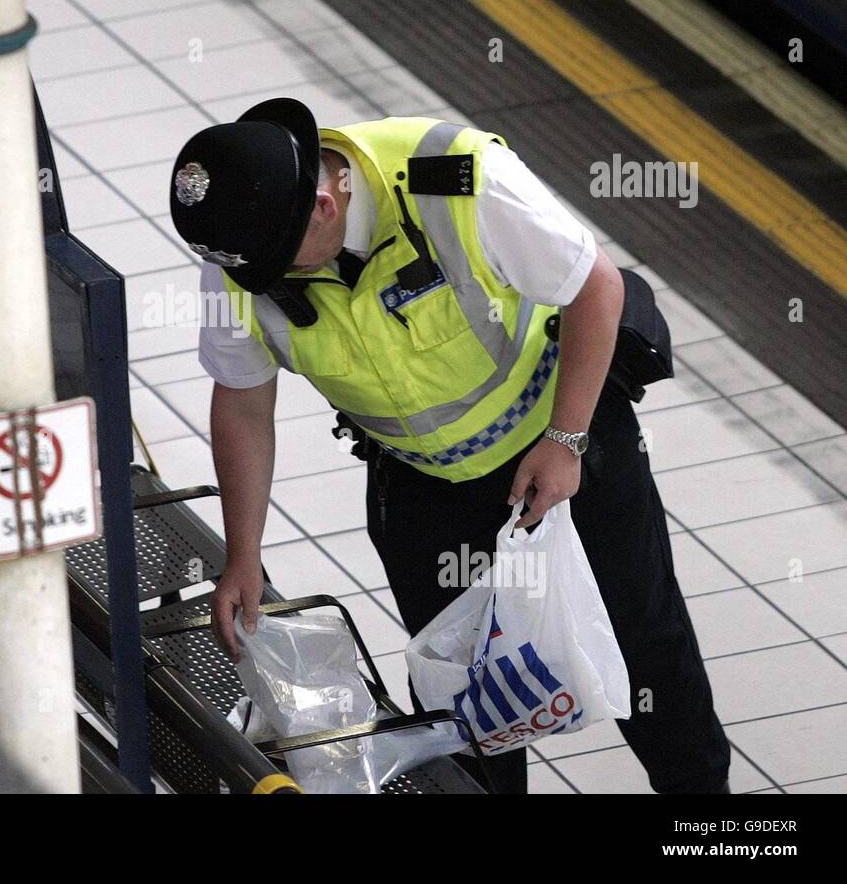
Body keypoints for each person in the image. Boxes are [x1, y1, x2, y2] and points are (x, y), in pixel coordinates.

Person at [167, 97, 730, 794]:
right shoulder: (245, 249)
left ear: (322, 204)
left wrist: (566, 439)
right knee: (461, 694)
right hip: (421, 482)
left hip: (562, 446)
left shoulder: (456, 178)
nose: (268, 282)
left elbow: (596, 287)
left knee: (644, 647)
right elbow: (244, 399)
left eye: (278, 264)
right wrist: (243, 554)